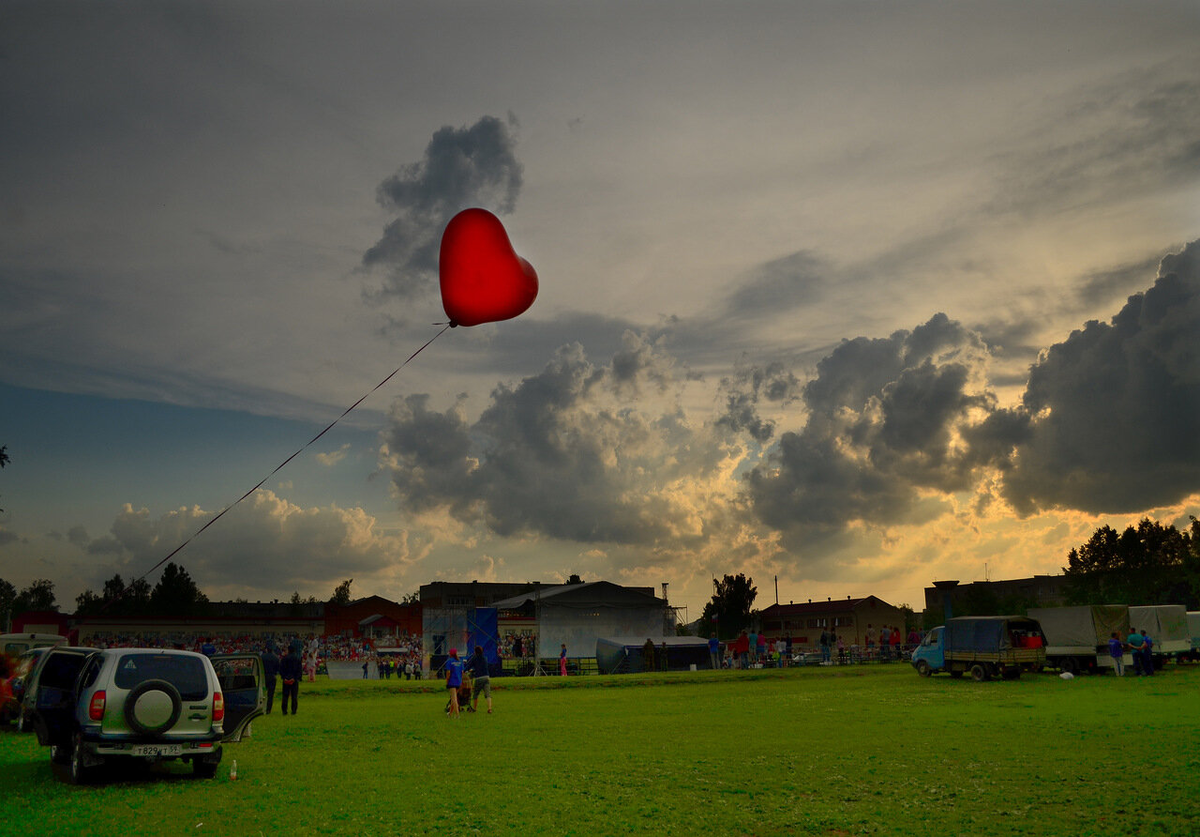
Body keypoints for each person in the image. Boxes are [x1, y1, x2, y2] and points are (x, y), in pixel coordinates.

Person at [468, 646, 493, 714]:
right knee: (488, 694)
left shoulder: (475, 658)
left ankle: (475, 708)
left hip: (479, 678)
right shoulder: (485, 658)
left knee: (475, 694)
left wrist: (464, 670)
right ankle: (489, 708)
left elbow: (469, 666)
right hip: (487, 677)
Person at [279, 646, 302, 716]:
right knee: (294, 696)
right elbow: (299, 670)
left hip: (286, 679)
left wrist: (284, 677)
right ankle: (294, 710)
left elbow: (281, 669)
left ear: (288, 650)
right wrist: (295, 678)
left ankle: (284, 710)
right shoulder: (297, 659)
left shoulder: (284, 659)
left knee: (285, 696)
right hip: (294, 680)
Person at [445, 648, 465, 718]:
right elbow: (462, 672)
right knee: (454, 697)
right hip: (458, 681)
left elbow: (448, 672)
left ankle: (457, 715)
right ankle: (450, 713)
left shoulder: (449, 661)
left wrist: (447, 680)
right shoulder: (460, 661)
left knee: (454, 698)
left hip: (452, 681)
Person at [261, 643, 280, 714]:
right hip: (272, 676)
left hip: (264, 677)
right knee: (270, 695)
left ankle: (262, 708)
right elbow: (278, 668)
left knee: (263, 694)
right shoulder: (275, 657)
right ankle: (269, 709)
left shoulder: (262, 657)